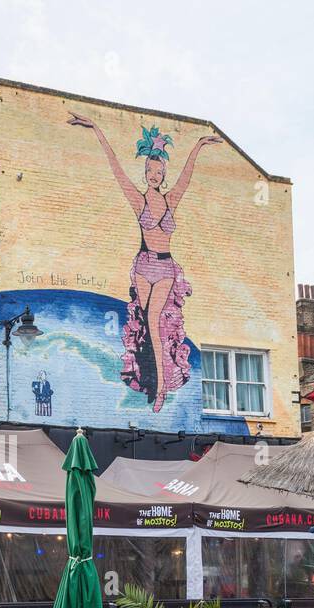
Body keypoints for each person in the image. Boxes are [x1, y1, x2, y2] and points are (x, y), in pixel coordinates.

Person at [68, 113, 222, 413]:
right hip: (144, 266)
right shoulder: (138, 200)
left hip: (165, 267)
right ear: (145, 172)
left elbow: (187, 178)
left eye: (159, 170)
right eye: (150, 169)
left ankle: (161, 386)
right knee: (145, 324)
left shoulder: (171, 200)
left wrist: (200, 145)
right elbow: (115, 169)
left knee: (154, 323)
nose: (155, 174)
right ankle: (152, 380)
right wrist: (98, 128)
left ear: (164, 173)